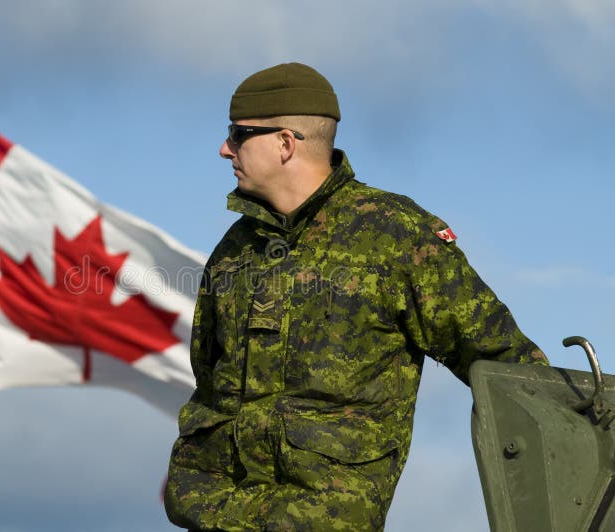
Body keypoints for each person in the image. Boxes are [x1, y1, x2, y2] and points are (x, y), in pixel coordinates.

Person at [164, 62, 548, 531]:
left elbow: (509, 369)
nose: (225, 149)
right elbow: (208, 381)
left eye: (239, 133)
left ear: (286, 143)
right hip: (219, 518)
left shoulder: (396, 236)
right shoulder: (234, 251)